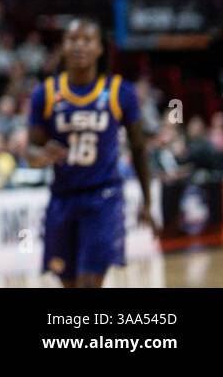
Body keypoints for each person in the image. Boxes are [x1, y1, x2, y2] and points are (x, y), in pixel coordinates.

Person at [27, 17, 154, 287]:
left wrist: (148, 201)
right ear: (63, 46)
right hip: (62, 198)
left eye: (87, 40)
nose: (79, 46)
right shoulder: (45, 93)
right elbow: (31, 150)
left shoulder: (121, 91)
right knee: (69, 283)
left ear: (99, 48)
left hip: (104, 197)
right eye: (73, 39)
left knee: (88, 284)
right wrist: (41, 154)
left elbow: (139, 148)